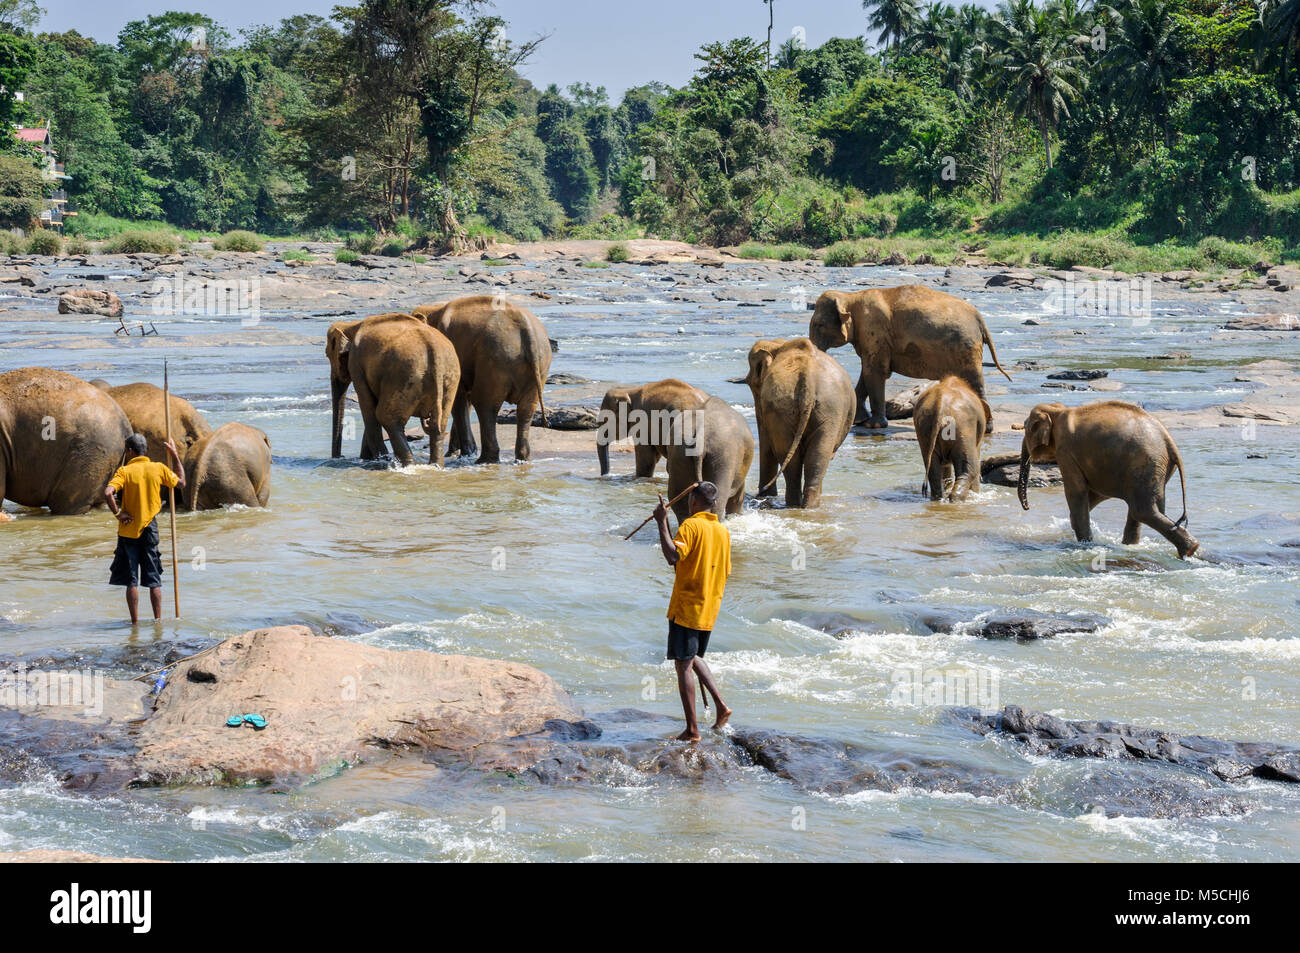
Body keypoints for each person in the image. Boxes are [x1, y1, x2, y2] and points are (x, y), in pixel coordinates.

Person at [653, 481, 733, 742]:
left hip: (687, 605)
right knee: (691, 656)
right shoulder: (722, 532)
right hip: (709, 606)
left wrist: (661, 522)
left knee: (683, 665)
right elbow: (725, 570)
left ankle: (692, 730)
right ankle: (721, 707)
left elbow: (672, 556)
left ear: (694, 501)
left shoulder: (690, 525)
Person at [103, 433, 185, 624]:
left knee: (132, 580)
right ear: (145, 450)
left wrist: (118, 513)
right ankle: (158, 621)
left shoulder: (124, 472)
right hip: (150, 529)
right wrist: (174, 455)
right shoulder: (158, 468)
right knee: (153, 578)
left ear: (130, 451)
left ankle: (135, 623)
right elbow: (181, 483)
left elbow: (108, 492)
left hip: (128, 530)